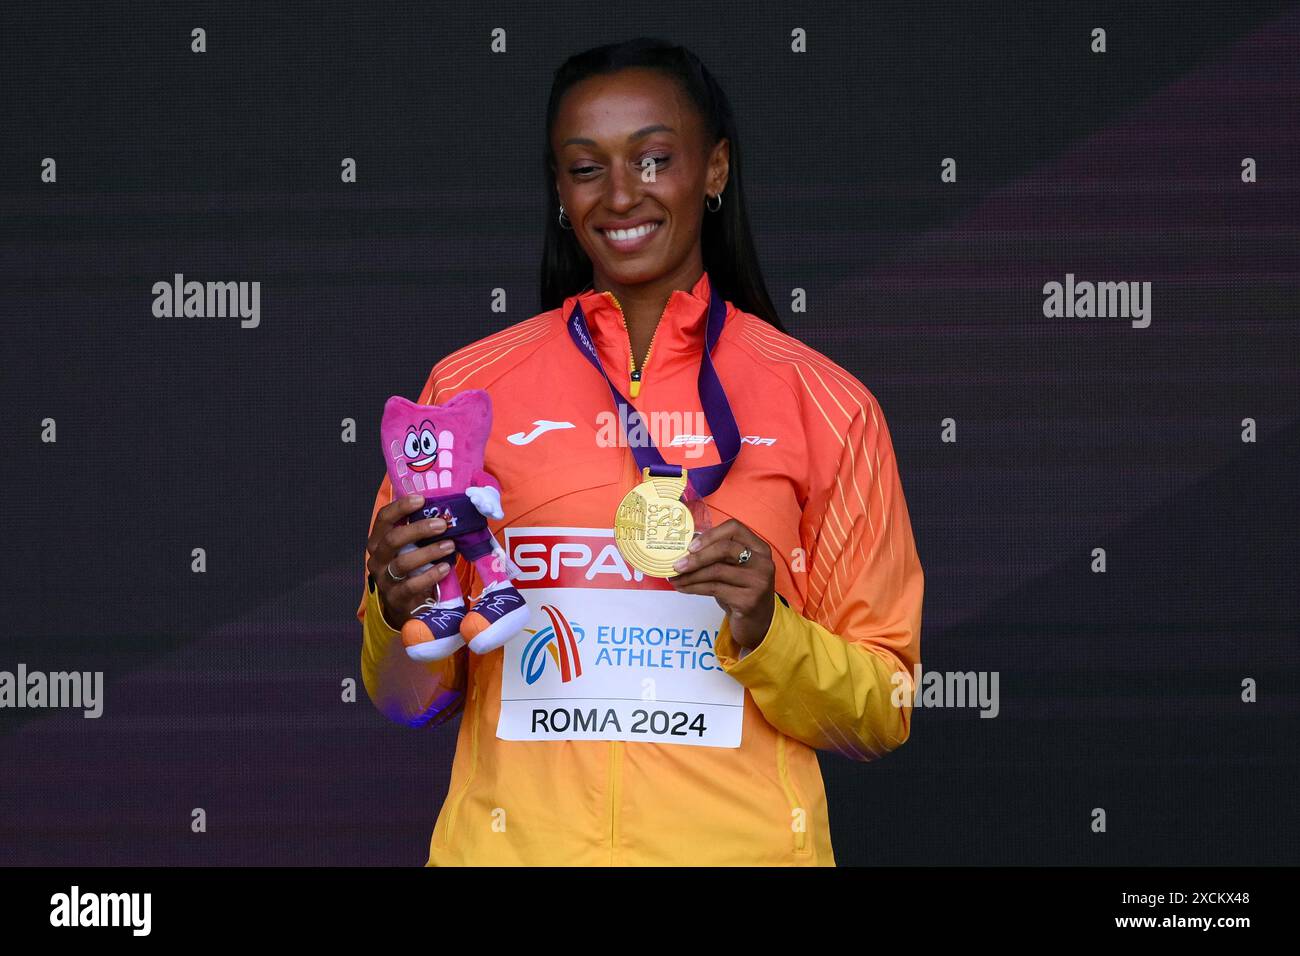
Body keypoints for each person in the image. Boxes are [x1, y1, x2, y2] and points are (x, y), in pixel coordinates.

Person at [357, 37, 923, 866]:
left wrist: (768, 628)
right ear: (559, 191)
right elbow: (405, 700)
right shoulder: (464, 395)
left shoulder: (825, 404)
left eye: (654, 159)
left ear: (716, 169)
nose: (621, 195)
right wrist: (395, 609)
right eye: (586, 168)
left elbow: (886, 709)